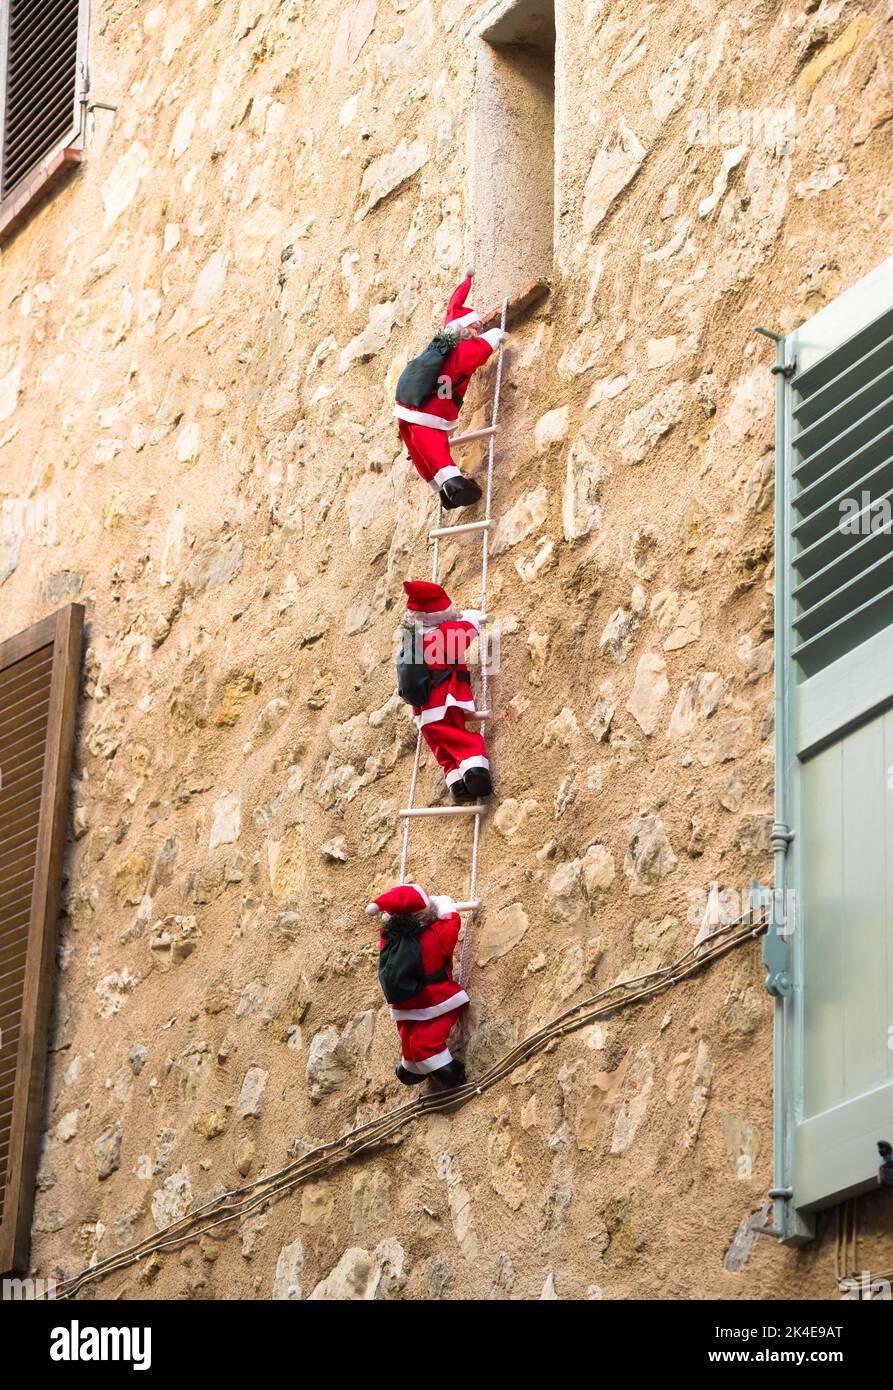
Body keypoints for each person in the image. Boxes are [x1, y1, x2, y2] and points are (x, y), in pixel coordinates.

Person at [395, 268, 508, 510]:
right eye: (476, 327)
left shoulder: (438, 348)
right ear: (464, 328)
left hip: (408, 410)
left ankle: (443, 491)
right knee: (435, 448)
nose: (478, 330)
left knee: (421, 453)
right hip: (431, 413)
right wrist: (494, 336)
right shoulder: (459, 349)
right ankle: (454, 484)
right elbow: (474, 354)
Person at [397, 579, 492, 803]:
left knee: (443, 748)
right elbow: (469, 626)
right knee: (456, 737)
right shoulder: (444, 634)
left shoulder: (411, 640)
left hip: (421, 709)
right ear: (439, 613)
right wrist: (469, 616)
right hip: (443, 702)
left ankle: (456, 781)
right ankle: (475, 768)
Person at [365, 884, 468, 1088]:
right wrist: (443, 903)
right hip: (435, 998)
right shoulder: (434, 935)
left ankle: (410, 1066)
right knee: (427, 1039)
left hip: (403, 1005)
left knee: (409, 1035)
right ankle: (445, 1069)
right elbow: (452, 922)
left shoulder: (388, 940)